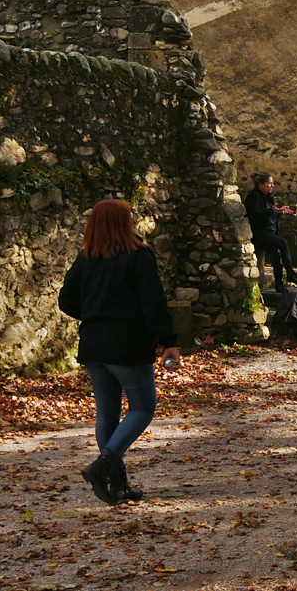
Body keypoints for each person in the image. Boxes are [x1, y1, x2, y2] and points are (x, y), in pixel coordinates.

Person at [58, 199, 182, 505]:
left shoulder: (86, 257)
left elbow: (66, 300)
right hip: (127, 343)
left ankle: (118, 484)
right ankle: (102, 467)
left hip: (94, 344)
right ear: (124, 222)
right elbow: (154, 301)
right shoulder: (138, 254)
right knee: (142, 408)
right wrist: (168, 340)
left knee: (107, 414)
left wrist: (94, 314)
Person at [244, 172, 297, 292]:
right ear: (260, 184)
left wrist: (280, 212)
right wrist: (272, 211)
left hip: (270, 232)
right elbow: (254, 216)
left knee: (277, 254)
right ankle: (290, 272)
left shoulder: (269, 197)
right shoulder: (254, 196)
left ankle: (279, 284)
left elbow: (271, 216)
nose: (272, 186)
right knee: (282, 242)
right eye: (269, 183)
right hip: (259, 233)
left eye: (272, 183)